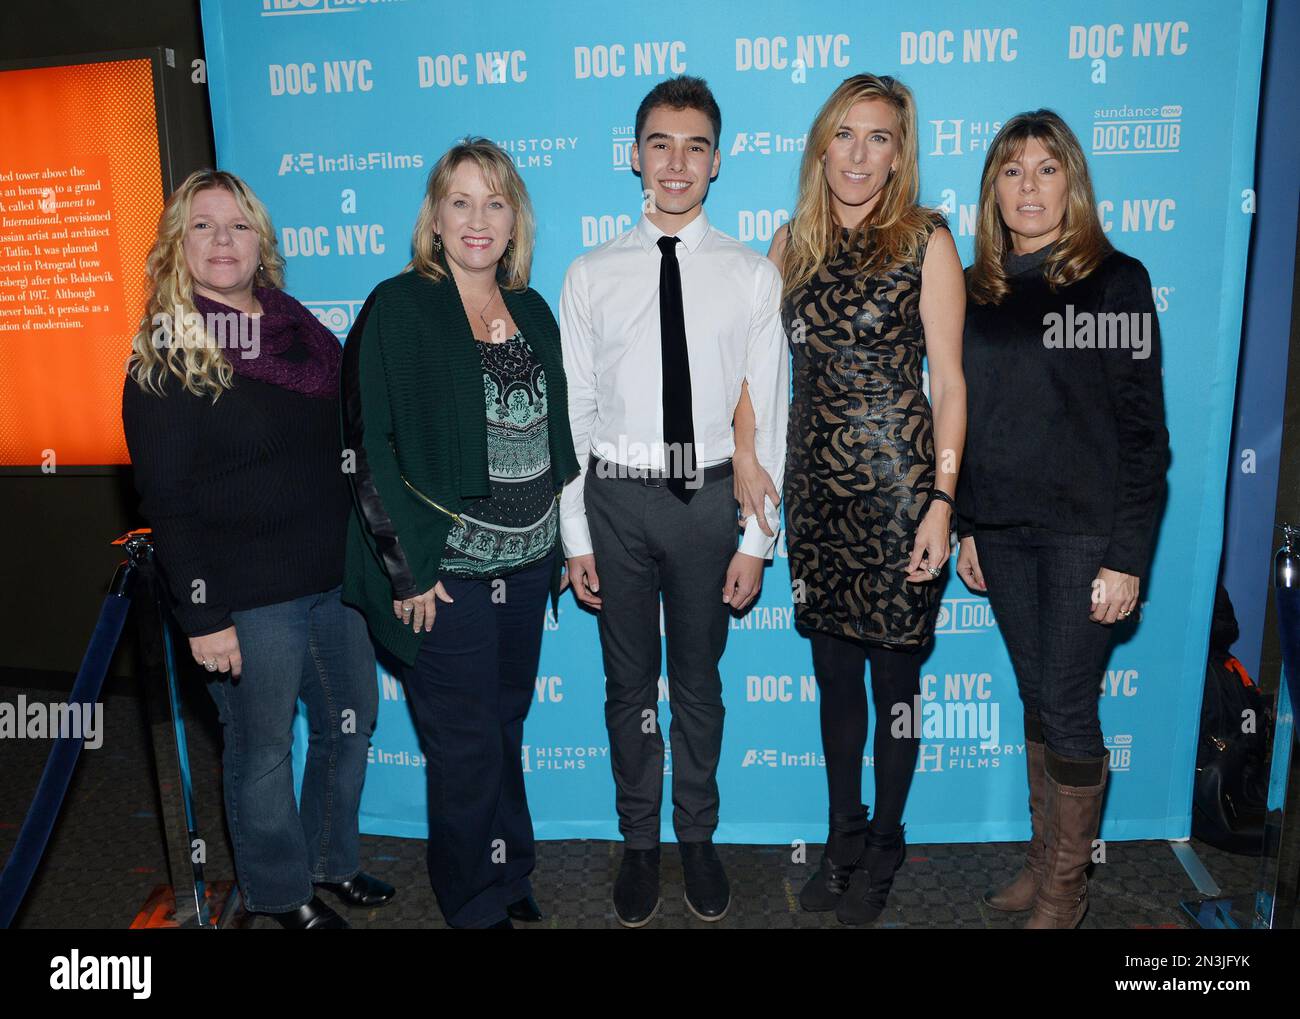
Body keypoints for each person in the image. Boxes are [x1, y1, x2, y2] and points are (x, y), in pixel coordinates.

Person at [122, 169, 391, 930]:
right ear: (178, 243)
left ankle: (330, 860)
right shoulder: (167, 357)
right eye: (203, 226)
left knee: (351, 719)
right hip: (245, 596)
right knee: (262, 745)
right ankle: (278, 893)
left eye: (237, 225)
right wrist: (202, 616)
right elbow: (167, 504)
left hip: (333, 577)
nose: (222, 240)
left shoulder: (297, 330)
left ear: (260, 241)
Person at [735, 72, 966, 925]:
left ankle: (888, 841)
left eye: (878, 137)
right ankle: (842, 838)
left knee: (895, 682)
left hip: (902, 489)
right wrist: (748, 452)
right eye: (845, 134)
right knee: (834, 681)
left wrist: (944, 498)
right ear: (821, 143)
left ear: (899, 151)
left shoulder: (926, 239)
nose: (859, 154)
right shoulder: (790, 241)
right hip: (818, 496)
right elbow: (756, 369)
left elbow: (950, 379)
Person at [559, 75, 788, 927]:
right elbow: (574, 415)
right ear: (635, 156)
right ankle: (639, 843)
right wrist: (574, 531)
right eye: (661, 143)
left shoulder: (751, 275)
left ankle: (696, 835)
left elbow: (771, 413)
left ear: (718, 160)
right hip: (614, 499)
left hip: (709, 500)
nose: (677, 161)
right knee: (629, 688)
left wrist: (757, 543)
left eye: (695, 146)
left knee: (697, 686)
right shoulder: (591, 274)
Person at [340, 138, 579, 929]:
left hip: (528, 565)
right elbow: (367, 446)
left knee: (506, 724)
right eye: (462, 201)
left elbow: (556, 445)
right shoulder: (399, 306)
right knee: (465, 744)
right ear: (435, 218)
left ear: (515, 221)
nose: (479, 219)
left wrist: (563, 547)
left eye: (496, 202)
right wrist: (405, 569)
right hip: (446, 574)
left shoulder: (534, 309)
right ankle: (472, 902)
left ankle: (509, 872)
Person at [954, 110, 1170, 929]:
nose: (1029, 186)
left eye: (1047, 169)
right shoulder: (981, 289)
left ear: (1072, 182)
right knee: (1038, 698)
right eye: (1012, 171)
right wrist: (969, 521)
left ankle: (1066, 891)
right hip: (1003, 530)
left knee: (1070, 704)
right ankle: (1044, 860)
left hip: (1087, 533)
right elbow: (968, 417)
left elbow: (1144, 430)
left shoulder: (1115, 280)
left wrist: (1127, 555)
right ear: (993, 190)